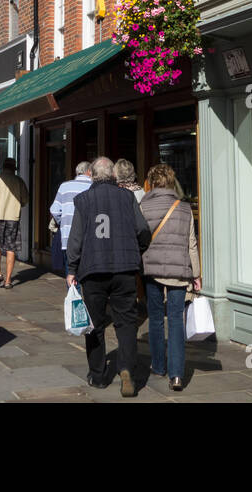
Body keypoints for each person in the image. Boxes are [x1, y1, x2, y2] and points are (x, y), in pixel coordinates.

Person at [66, 157, 153, 397]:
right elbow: (143, 230)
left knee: (94, 324)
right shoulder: (126, 197)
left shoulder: (83, 200)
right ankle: (126, 369)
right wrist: (139, 249)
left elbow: (76, 239)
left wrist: (72, 268)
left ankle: (97, 375)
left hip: (93, 270)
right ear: (113, 176)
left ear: (91, 175)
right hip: (124, 269)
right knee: (126, 323)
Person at [139, 163, 202, 392]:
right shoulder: (184, 208)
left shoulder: (144, 205)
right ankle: (176, 375)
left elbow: (139, 237)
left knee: (155, 318)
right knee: (176, 320)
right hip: (179, 271)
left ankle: (158, 365)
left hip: (151, 270)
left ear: (153, 182)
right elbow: (191, 244)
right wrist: (196, 274)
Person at [0, 157, 29, 289]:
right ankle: (8, 280)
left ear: (3, 167)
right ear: (14, 168)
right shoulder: (19, 181)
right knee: (11, 248)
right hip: (12, 218)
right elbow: (25, 200)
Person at [50, 162, 93, 275]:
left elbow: (54, 210)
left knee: (71, 275)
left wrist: (64, 222)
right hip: (90, 238)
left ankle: (74, 292)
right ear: (89, 172)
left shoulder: (64, 186)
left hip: (67, 237)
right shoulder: (93, 186)